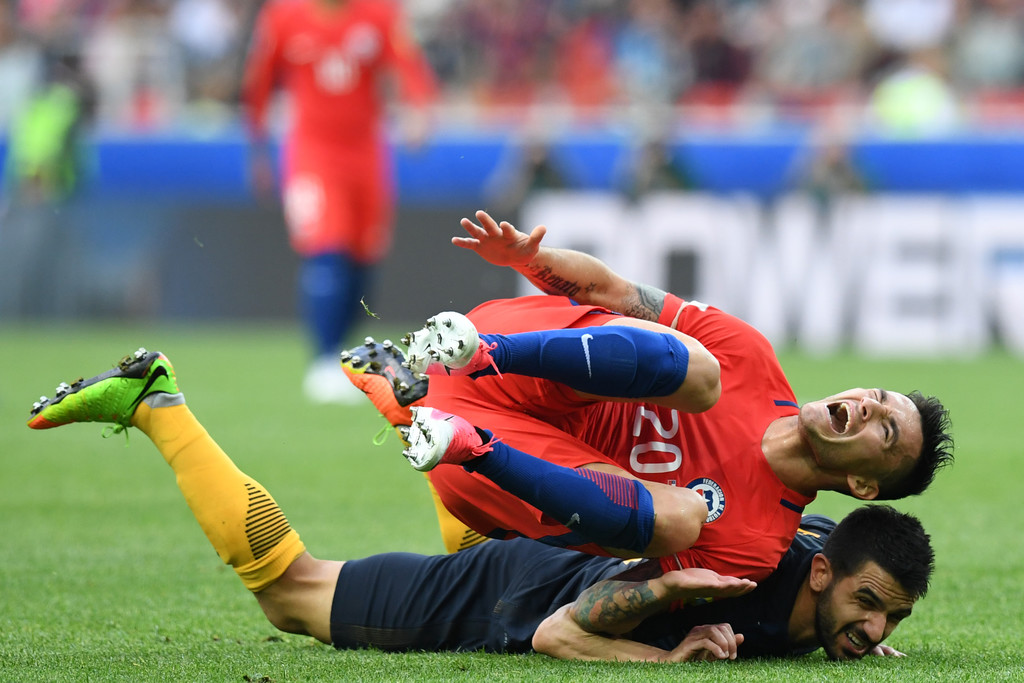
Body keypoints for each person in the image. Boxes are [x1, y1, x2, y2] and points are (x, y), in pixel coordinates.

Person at [24, 352, 932, 661]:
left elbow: (822, 548)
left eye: (882, 615)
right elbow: (558, 637)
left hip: (539, 543)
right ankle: (157, 401)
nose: (870, 629)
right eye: (865, 607)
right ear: (822, 568)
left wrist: (856, 622)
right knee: (289, 593)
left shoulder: (803, 563)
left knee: (475, 499)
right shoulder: (740, 589)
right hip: (519, 593)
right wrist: (670, 644)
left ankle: (400, 394)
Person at [343, 210, 953, 584]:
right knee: (700, 373)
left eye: (886, 430)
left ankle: (423, 413)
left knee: (681, 517)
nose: (869, 406)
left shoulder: (755, 548)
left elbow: (610, 584)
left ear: (865, 487)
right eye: (876, 395)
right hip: (502, 355)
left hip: (493, 465)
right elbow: (612, 291)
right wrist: (529, 259)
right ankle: (470, 357)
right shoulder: (751, 359)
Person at [241, 0, 436, 403]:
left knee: (364, 261)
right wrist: (257, 149)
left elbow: (411, 67)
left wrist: (419, 112)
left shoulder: (380, 13)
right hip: (312, 153)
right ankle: (322, 360)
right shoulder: (282, 16)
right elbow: (258, 81)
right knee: (327, 249)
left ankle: (344, 359)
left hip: (366, 154)